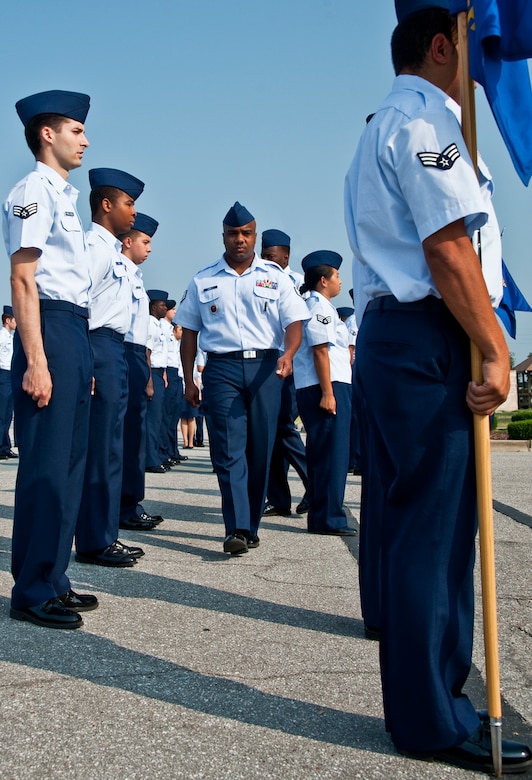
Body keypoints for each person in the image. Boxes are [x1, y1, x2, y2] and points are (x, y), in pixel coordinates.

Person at [344, 1, 532, 773]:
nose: (477, 59)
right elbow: (449, 250)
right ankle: (433, 719)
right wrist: (493, 347)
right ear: (442, 43)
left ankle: (427, 703)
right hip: (427, 338)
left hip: (402, 337)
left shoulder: (382, 125)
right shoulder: (424, 124)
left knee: (423, 527)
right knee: (438, 536)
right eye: (469, 40)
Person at [3, 89, 97, 629]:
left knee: (70, 463)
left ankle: (55, 576)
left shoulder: (64, 196)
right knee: (44, 462)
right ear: (47, 134)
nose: (84, 139)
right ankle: (32, 588)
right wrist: (36, 359)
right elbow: (23, 278)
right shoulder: (30, 192)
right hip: (51, 328)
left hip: (75, 330)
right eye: (75, 130)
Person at [177, 202, 310, 555]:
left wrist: (289, 353)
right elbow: (189, 331)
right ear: (223, 236)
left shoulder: (275, 276)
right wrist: (190, 379)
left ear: (255, 235)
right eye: (234, 234)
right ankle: (235, 527)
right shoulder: (203, 279)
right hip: (221, 369)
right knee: (228, 449)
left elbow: (294, 321)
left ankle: (250, 525)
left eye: (246, 233)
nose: (240, 240)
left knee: (261, 449)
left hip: (267, 367)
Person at [75, 167, 145, 568]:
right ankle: (95, 539)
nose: (133, 213)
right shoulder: (94, 248)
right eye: (128, 203)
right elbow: (79, 306)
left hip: (114, 348)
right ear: (106, 205)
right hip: (98, 344)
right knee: (101, 448)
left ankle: (103, 534)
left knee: (111, 446)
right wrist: (89, 360)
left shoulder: (113, 252)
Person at [293, 251, 355, 536]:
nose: (340, 281)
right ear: (323, 280)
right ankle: (329, 518)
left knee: (324, 455)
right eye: (337, 276)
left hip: (325, 385)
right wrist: (328, 393)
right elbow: (320, 351)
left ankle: (322, 517)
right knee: (332, 455)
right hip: (326, 386)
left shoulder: (320, 306)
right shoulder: (319, 307)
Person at [119, 212, 164, 531]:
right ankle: (122, 507)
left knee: (134, 435)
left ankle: (130, 504)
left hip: (134, 356)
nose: (149, 249)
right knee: (121, 437)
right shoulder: (116, 267)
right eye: (145, 242)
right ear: (128, 241)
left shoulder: (135, 275)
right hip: (120, 351)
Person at [260, 229, 309, 517]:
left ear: (285, 256)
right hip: (265, 364)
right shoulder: (260, 279)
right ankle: (278, 498)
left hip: (289, 365)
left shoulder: (298, 284)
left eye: (270, 256)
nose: (265, 261)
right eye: (263, 256)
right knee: (270, 431)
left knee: (283, 425)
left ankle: (313, 480)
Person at [145, 289, 171, 473]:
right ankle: (150, 459)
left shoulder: (158, 324)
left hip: (159, 373)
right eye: (163, 305)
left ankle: (156, 455)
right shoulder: (150, 324)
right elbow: (147, 354)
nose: (165, 308)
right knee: (151, 421)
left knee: (158, 419)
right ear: (154, 307)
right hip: (151, 373)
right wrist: (149, 382)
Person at [0, 305, 17, 459]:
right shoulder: (1, 336)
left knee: (7, 414)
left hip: (10, 374)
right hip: (3, 374)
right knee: (2, 412)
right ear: (7, 320)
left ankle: (5, 447)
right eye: (14, 319)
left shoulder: (11, 337)